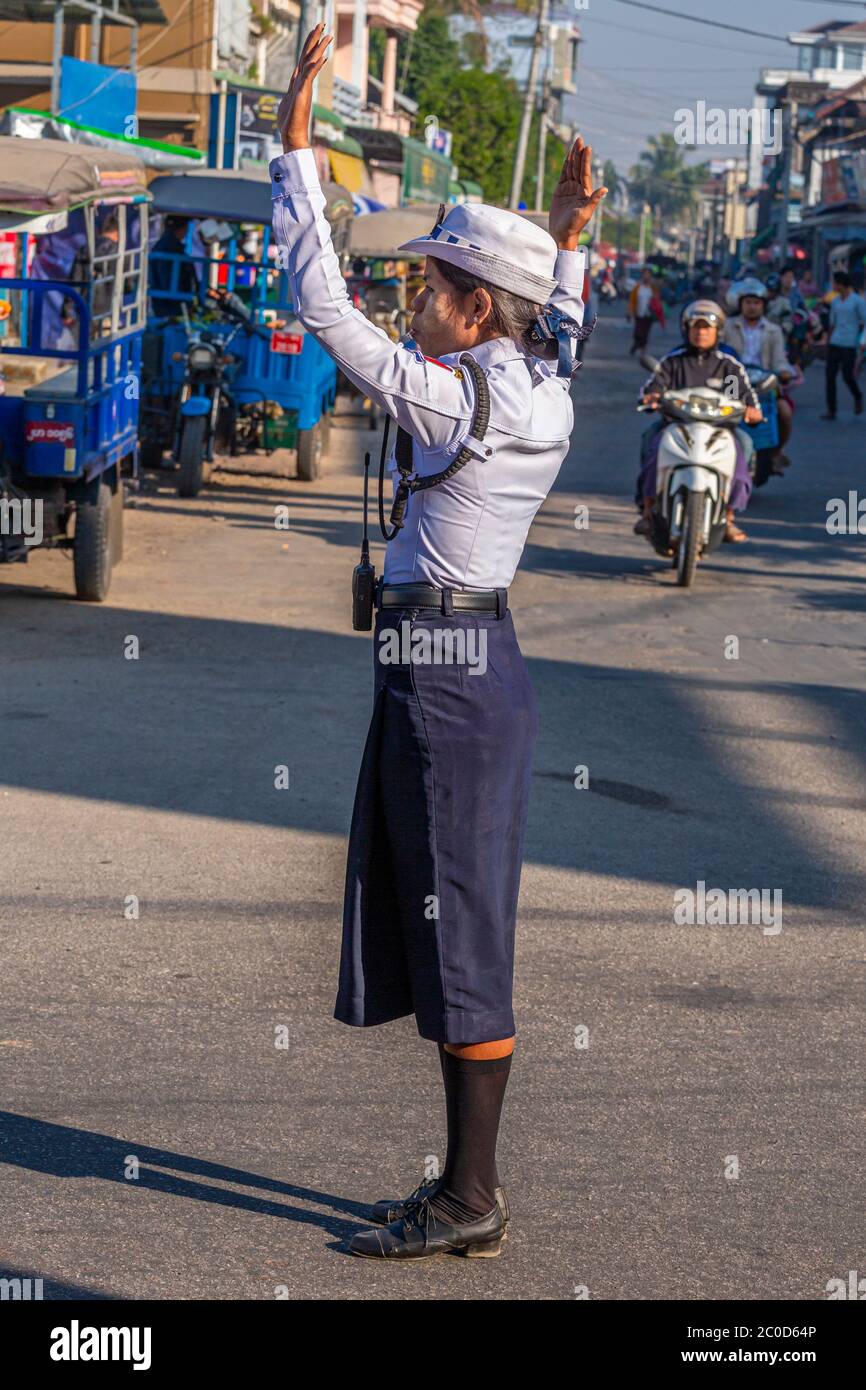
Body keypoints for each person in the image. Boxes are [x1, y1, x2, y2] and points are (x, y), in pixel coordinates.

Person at [271, 24, 605, 1262]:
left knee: (460, 926)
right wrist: (564, 240)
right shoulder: (542, 385)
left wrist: (296, 148)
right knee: (449, 913)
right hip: (474, 666)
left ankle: (472, 1196)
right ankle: (463, 1183)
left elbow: (316, 300)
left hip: (445, 679)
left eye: (428, 288)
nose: (412, 303)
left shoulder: (445, 391)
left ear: (472, 308)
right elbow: (556, 322)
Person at [635, 300, 761, 544]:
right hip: (677, 428)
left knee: (744, 445)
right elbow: (655, 386)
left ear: (718, 331)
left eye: (707, 327)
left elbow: (740, 397)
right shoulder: (673, 362)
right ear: (686, 329)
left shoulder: (728, 367)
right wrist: (651, 397)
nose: (701, 332)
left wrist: (750, 410)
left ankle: (729, 516)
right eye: (695, 327)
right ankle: (648, 510)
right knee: (651, 440)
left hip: (719, 431)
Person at [725, 279, 795, 469]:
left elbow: (779, 359)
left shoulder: (774, 331)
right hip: (732, 383)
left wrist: (784, 371)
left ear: (763, 305)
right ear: (740, 304)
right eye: (748, 303)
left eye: (756, 303)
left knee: (785, 413)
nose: (752, 307)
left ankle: (777, 451)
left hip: (765, 382)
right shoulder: (727, 326)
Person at [820, 271, 866, 420]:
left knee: (847, 376)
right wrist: (827, 340)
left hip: (849, 343)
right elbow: (832, 322)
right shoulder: (835, 301)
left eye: (835, 283)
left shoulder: (857, 301)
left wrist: (862, 341)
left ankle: (858, 396)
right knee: (830, 377)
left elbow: (864, 322)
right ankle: (831, 409)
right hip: (835, 341)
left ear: (841, 284)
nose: (833, 286)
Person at [149, 214, 197, 318]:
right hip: (171, 307)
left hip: (164, 305)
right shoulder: (171, 248)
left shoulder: (164, 245)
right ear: (185, 228)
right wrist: (183, 303)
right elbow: (168, 279)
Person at [628, 266, 655, 354]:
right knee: (638, 332)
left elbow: (658, 300)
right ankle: (636, 345)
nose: (646, 277)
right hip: (639, 313)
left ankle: (643, 350)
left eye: (648, 274)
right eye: (645, 274)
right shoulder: (637, 287)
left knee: (646, 333)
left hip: (649, 314)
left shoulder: (653, 288)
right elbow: (632, 300)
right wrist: (630, 311)